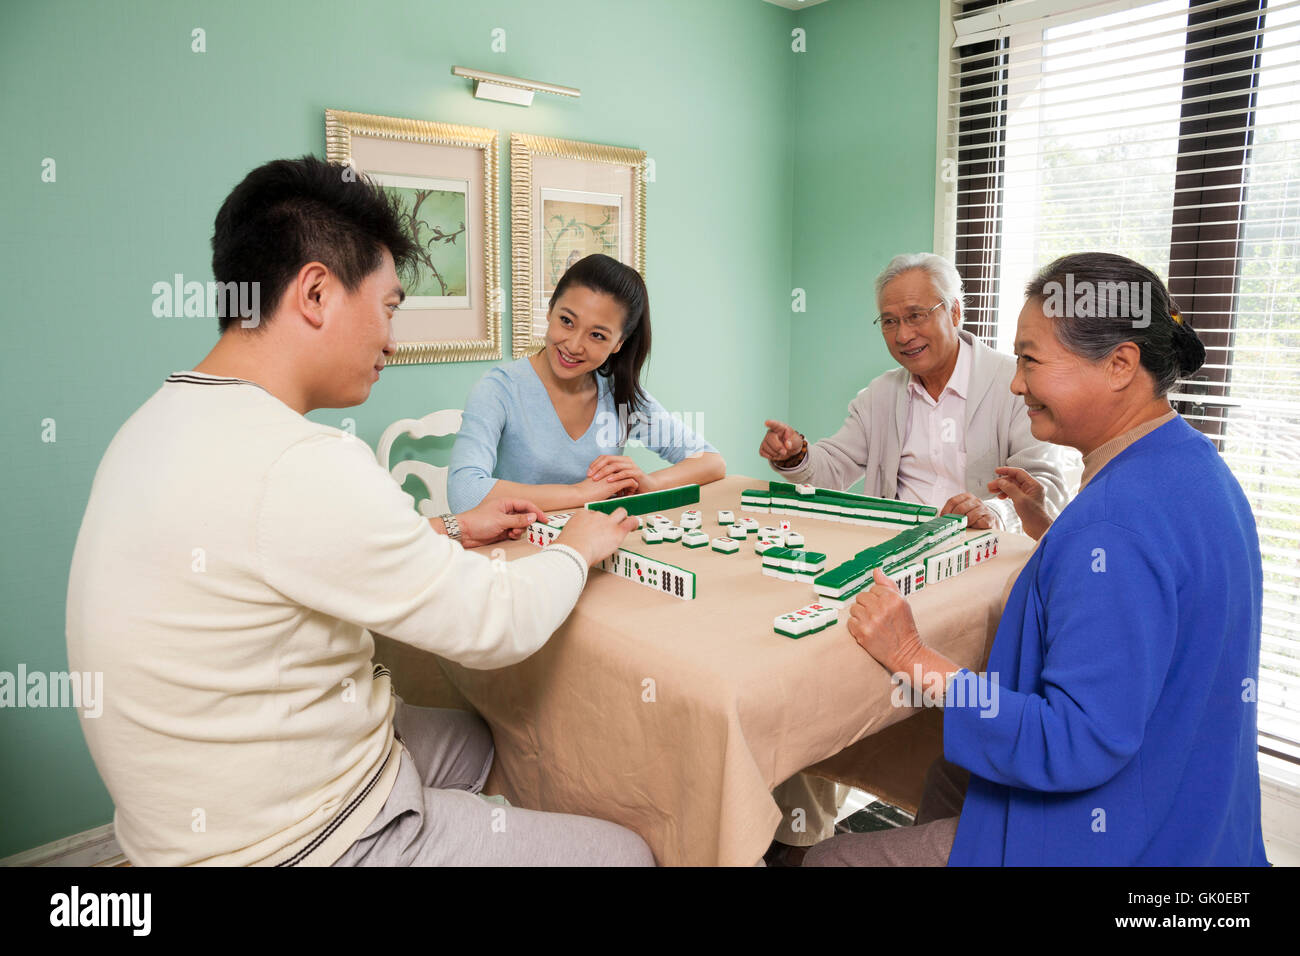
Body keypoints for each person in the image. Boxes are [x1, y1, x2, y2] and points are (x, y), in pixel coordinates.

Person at [66, 156, 653, 867]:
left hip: (206, 804)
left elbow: (280, 549)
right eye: (389, 307)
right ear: (316, 292)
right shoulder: (300, 460)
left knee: (486, 738)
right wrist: (580, 545)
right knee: (627, 855)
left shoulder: (156, 422)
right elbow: (496, 622)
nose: (391, 342)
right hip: (298, 843)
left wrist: (447, 529)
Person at [804, 252, 1268, 866]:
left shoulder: (1112, 525)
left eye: (1030, 360)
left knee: (826, 861)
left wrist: (912, 657)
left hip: (1118, 839)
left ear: (1121, 365)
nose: (1017, 383)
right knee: (946, 771)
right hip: (1196, 806)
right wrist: (1050, 531)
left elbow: (1073, 741)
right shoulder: (1192, 464)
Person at [759, 252, 1071, 863]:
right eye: (888, 321)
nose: (902, 334)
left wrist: (995, 512)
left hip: (979, 570)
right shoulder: (880, 395)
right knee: (805, 671)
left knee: (943, 708)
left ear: (955, 312)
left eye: (916, 316)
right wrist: (794, 455)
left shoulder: (1013, 382)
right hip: (896, 567)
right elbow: (832, 467)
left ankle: (947, 829)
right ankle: (796, 833)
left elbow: (1047, 487)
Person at [447, 254, 725, 514]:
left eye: (597, 335)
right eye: (567, 321)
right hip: (517, 549)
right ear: (549, 310)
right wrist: (581, 493)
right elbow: (464, 492)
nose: (574, 345)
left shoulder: (619, 394)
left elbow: (711, 461)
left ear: (618, 343)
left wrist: (649, 484)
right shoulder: (500, 389)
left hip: (596, 547)